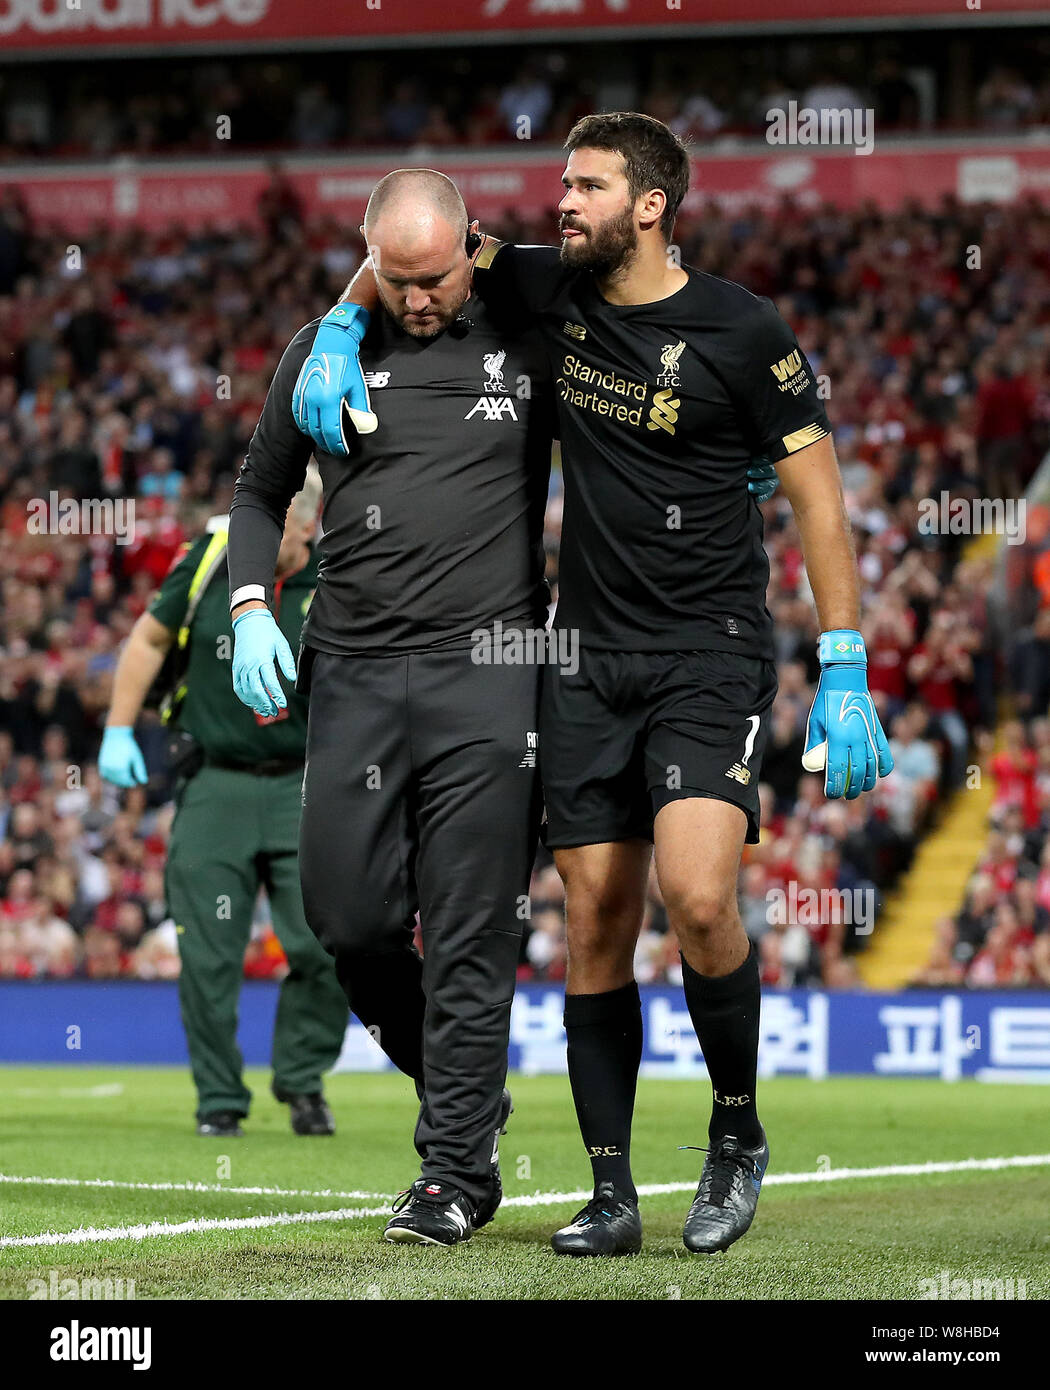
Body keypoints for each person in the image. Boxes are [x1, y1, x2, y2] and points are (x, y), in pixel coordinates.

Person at [296, 113, 894, 1257]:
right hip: (583, 655)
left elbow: (818, 498)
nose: (561, 201)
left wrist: (847, 663)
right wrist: (336, 326)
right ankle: (613, 1192)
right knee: (594, 923)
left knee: (700, 896)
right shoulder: (542, 288)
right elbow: (409, 244)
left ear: (652, 204)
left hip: (708, 649)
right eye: (562, 181)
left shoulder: (742, 330)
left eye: (588, 185)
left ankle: (735, 1132)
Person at [227, 169, 552, 1246]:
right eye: (397, 278)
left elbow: (632, 324)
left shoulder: (529, 327)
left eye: (437, 277)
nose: (419, 299)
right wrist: (248, 600)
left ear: (474, 245)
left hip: (490, 673)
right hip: (356, 673)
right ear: (369, 254)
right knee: (348, 916)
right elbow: (258, 489)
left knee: (469, 928)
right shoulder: (325, 351)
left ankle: (455, 1168)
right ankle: (467, 1093)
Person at [99, 472, 348, 1139]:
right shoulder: (211, 564)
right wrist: (120, 728)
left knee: (324, 945)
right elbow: (150, 639)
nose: (264, 530)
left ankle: (302, 1082)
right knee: (206, 952)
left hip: (305, 783)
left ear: (309, 521)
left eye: (281, 517)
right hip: (216, 783)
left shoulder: (338, 578)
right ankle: (218, 1099)